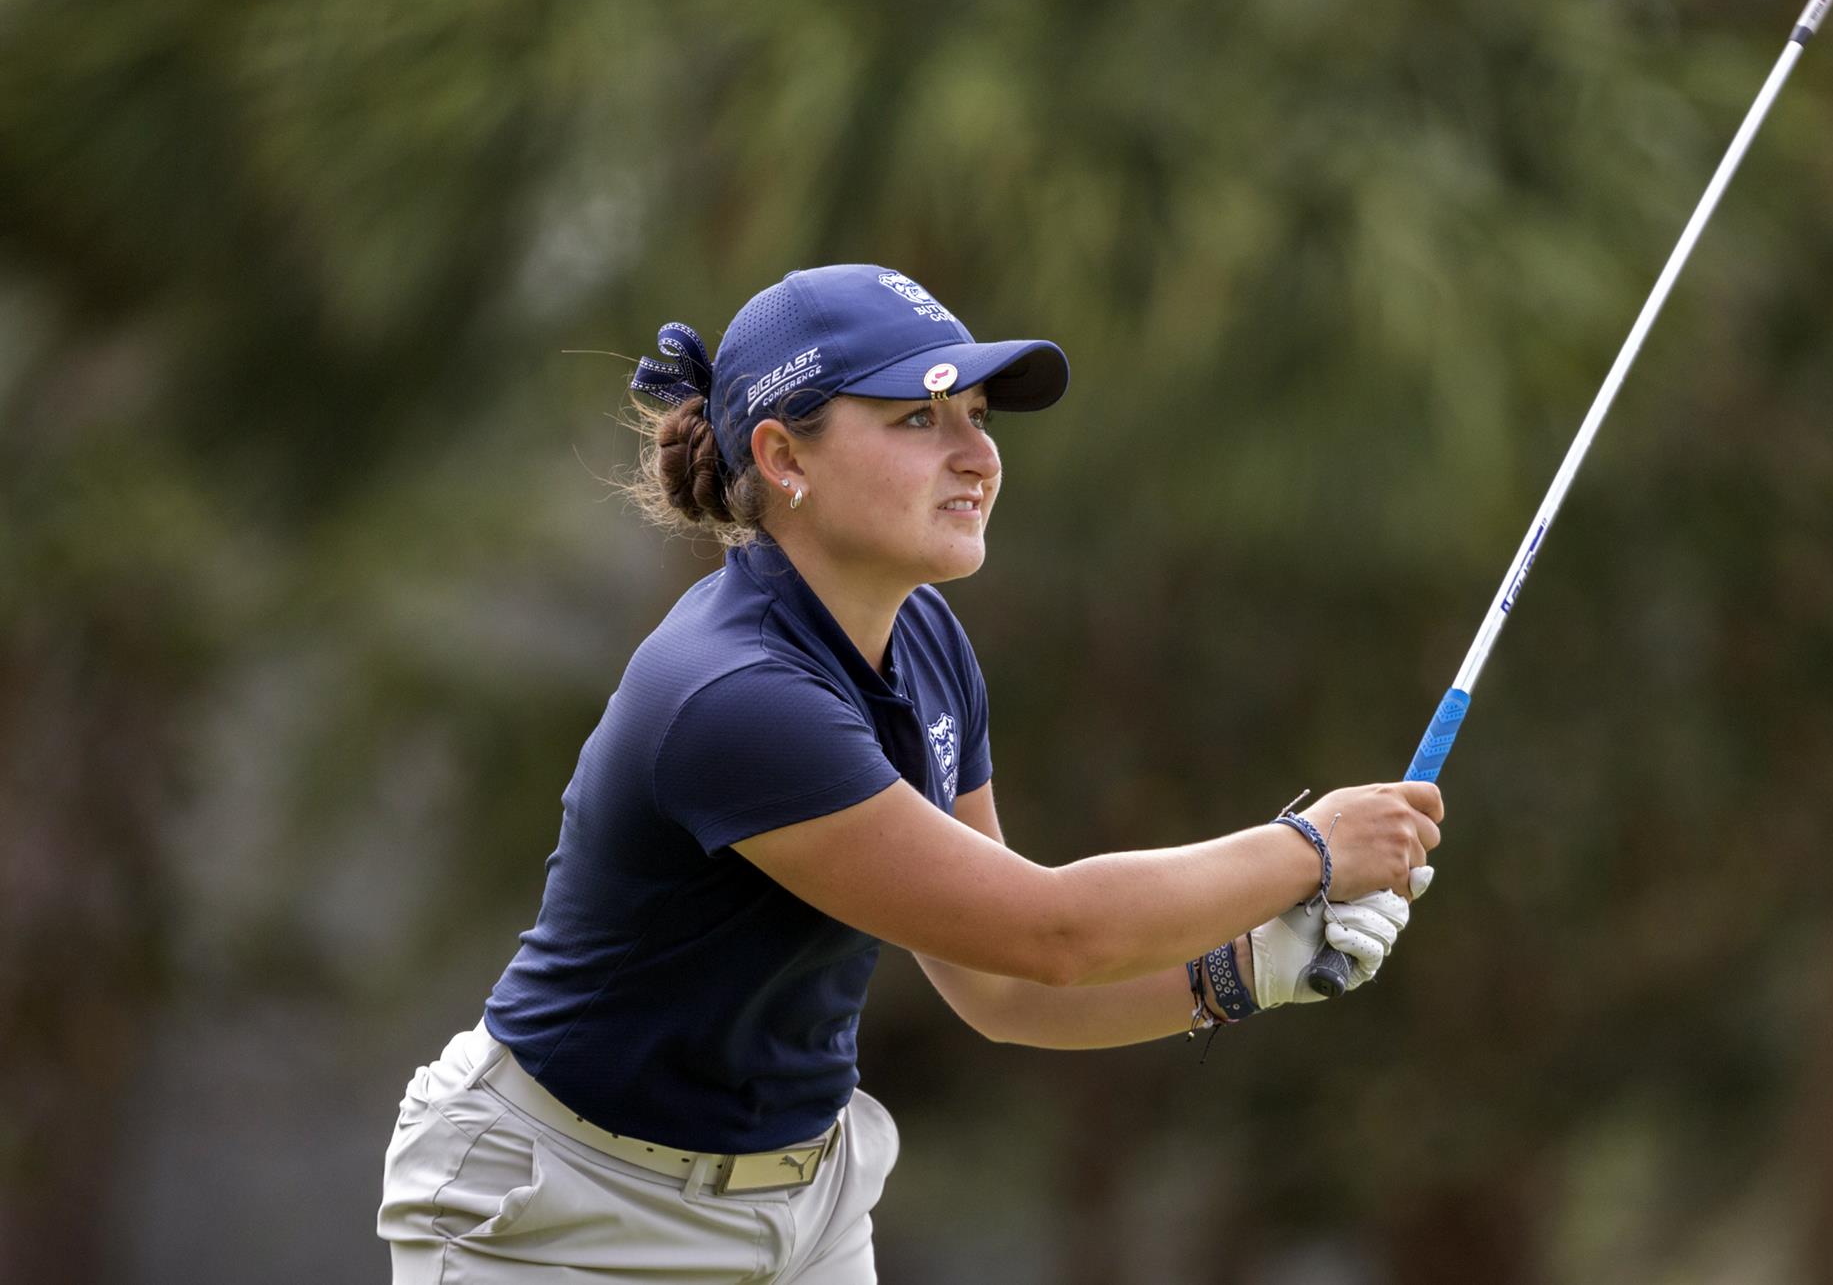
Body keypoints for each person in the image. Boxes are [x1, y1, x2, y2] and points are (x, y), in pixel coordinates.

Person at [377, 265, 1444, 1283]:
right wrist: (1308, 849)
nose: (976, 453)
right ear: (784, 457)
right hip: (564, 1212)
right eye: (919, 417)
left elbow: (1000, 986)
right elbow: (1049, 932)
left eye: (978, 415)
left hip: (806, 1201)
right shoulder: (733, 693)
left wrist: (1249, 967)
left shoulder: (923, 638)